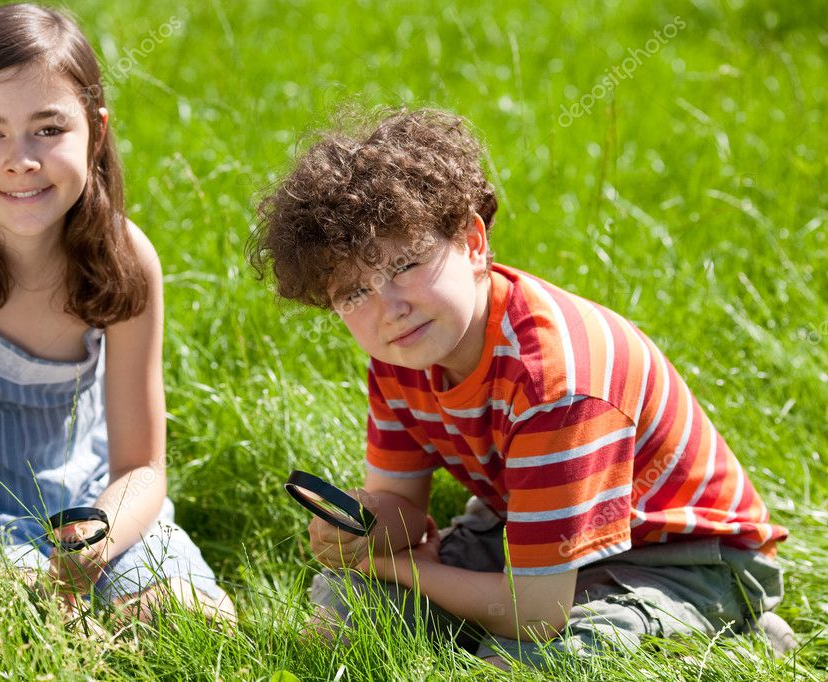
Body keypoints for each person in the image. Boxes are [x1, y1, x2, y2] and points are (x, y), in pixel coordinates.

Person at [248, 109, 794, 665]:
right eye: (354, 294)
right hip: (530, 527)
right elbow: (403, 508)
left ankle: (738, 629)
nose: (390, 309)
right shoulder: (405, 352)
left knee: (533, 662)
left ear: (472, 241)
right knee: (346, 610)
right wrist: (363, 529)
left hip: (687, 558)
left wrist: (396, 566)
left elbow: (536, 613)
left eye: (406, 265)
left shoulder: (555, 384)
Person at [0, 3, 234, 626]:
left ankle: (106, 618)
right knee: (16, 621)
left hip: (84, 500)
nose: (20, 160)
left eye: (49, 129)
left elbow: (140, 467)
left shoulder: (126, 259)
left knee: (193, 617)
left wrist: (96, 540)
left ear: (96, 131)